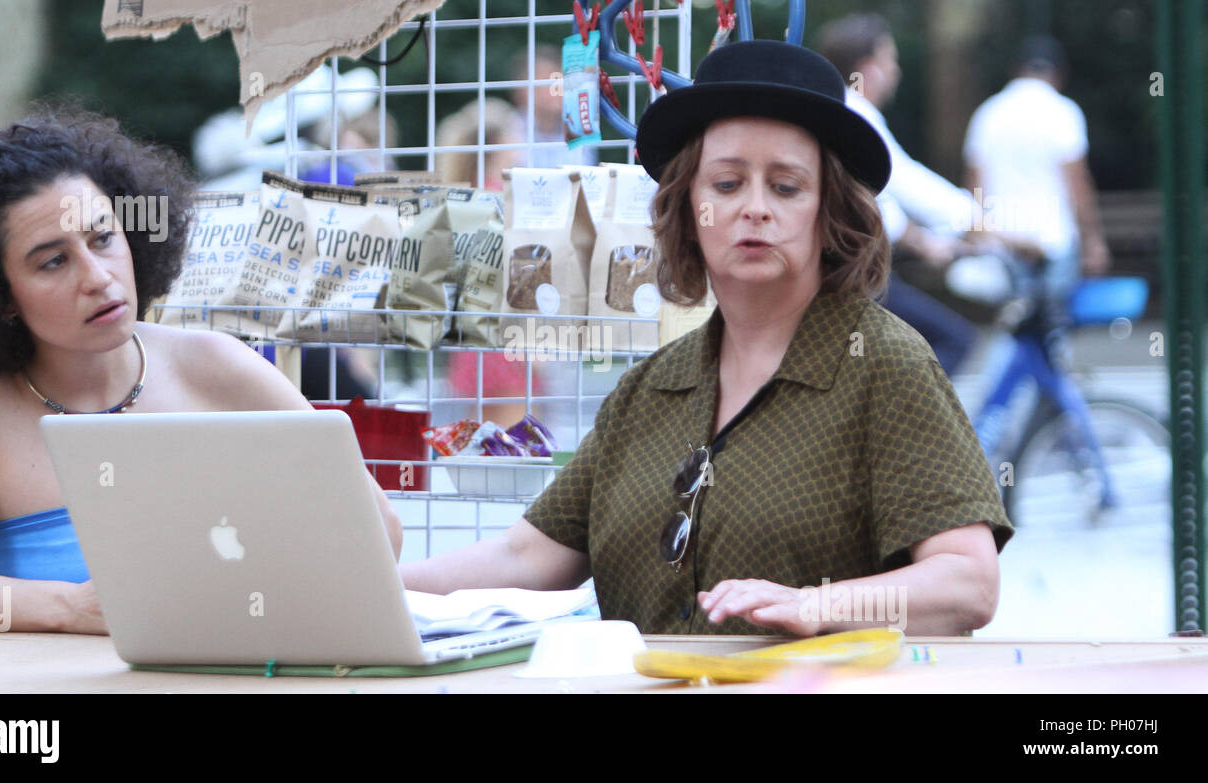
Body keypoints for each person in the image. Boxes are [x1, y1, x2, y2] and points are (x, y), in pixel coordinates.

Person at [402, 41, 1012, 636]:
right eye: (725, 184)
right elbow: (525, 559)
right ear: (688, 213)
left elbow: (968, 584)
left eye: (786, 186)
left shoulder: (888, 364)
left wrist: (816, 605)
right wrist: (382, 581)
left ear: (831, 215)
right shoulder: (647, 389)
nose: (754, 208)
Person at [0, 108, 402, 634]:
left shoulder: (219, 364)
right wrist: (74, 609)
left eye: (103, 239)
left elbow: (381, 536)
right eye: (53, 261)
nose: (97, 278)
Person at [814, 14, 980, 376]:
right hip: (853, 277)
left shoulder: (834, 110)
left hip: (844, 276)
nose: (897, 71)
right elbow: (902, 183)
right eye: (891, 60)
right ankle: (903, 427)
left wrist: (930, 238)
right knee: (955, 340)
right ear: (867, 68)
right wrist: (977, 221)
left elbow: (888, 191)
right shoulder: (856, 114)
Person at [963, 35, 1111, 302]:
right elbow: (1077, 182)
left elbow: (975, 185)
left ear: (1015, 69)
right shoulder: (1064, 111)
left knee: (1016, 322)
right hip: (1054, 241)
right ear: (1059, 73)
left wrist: (977, 236)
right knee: (1052, 326)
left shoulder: (987, 113)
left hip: (1002, 243)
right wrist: (1092, 241)